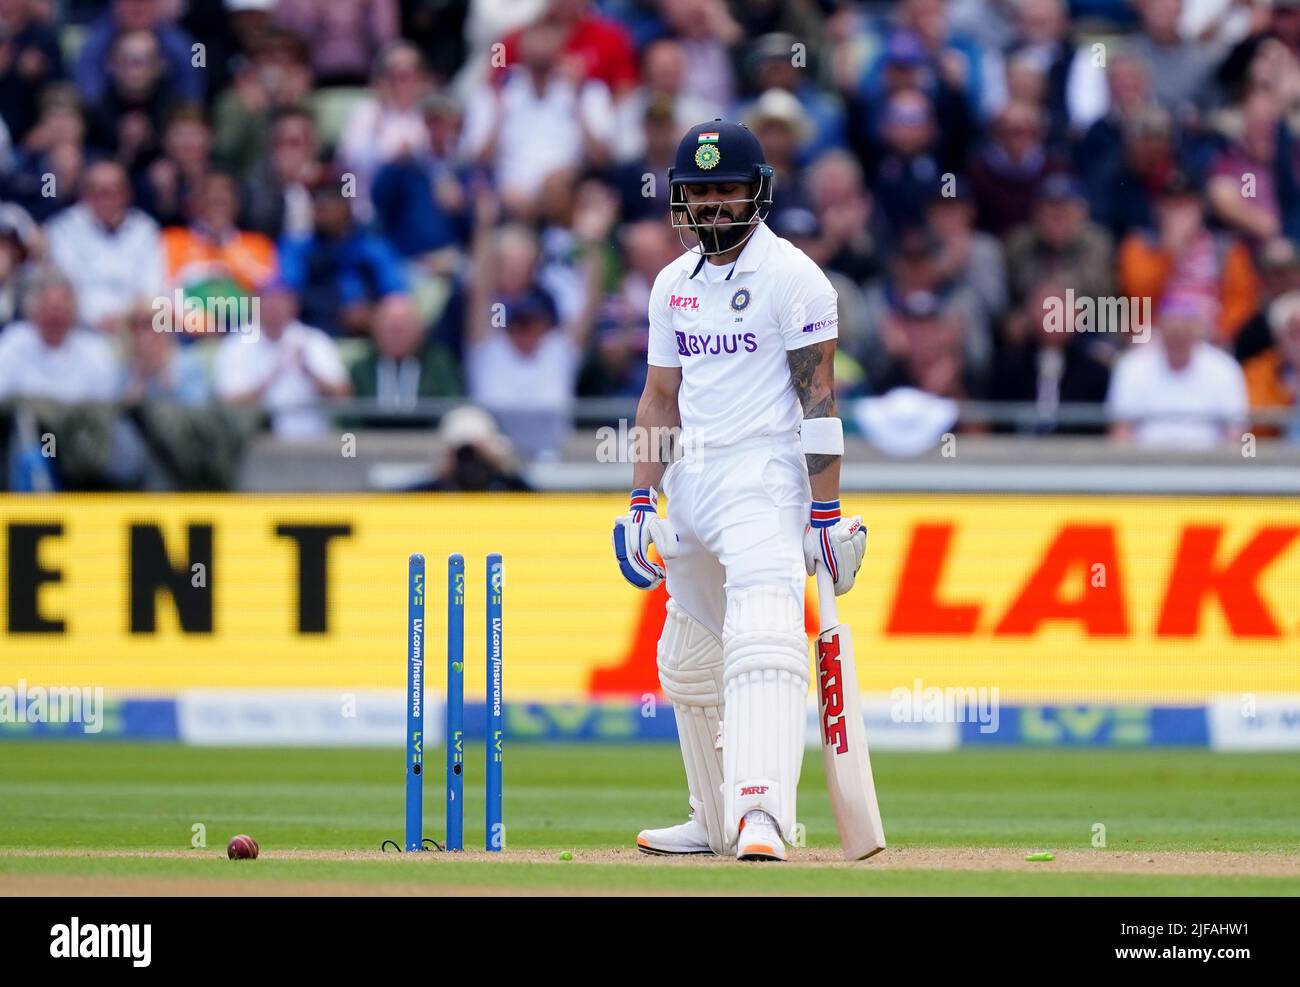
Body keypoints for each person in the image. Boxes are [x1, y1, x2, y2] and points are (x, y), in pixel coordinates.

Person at [611, 121, 866, 862]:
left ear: (758, 192)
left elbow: (818, 399)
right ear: (679, 200)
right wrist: (639, 500)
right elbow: (659, 397)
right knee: (689, 655)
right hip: (693, 474)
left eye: (727, 191)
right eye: (700, 192)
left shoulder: (796, 277)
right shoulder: (670, 286)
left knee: (762, 635)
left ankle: (762, 813)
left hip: (765, 474)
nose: (715, 206)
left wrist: (825, 514)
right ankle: (715, 816)